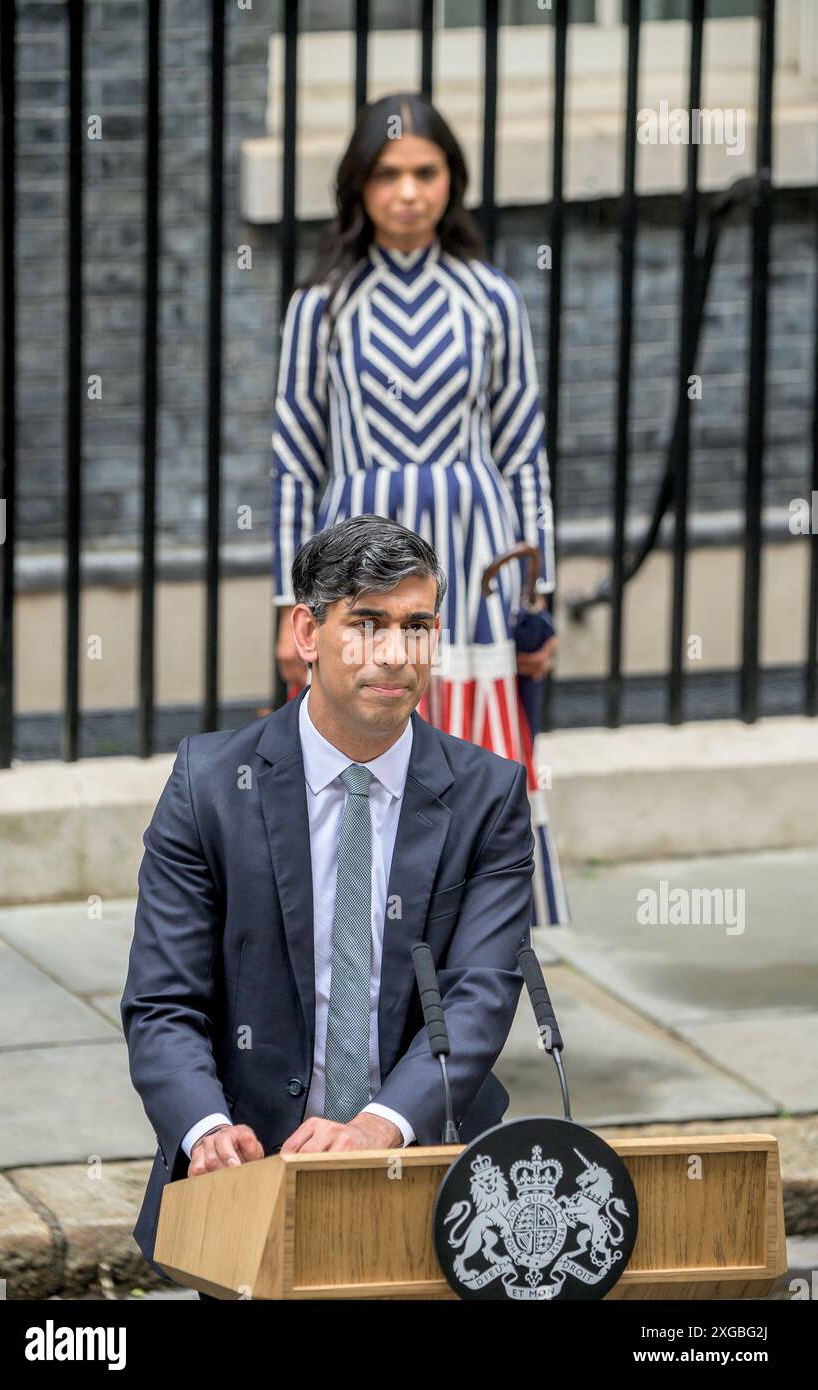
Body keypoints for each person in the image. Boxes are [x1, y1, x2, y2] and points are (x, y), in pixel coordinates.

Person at [121, 515, 537, 1296]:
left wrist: (380, 1124)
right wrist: (208, 1132)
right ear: (307, 632)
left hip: (431, 1177)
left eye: (416, 627)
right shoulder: (209, 785)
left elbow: (479, 997)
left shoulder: (488, 795)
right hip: (251, 1183)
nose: (393, 654)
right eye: (366, 624)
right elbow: (163, 1002)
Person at [271, 90, 570, 927]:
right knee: (362, 744)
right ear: (359, 187)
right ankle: (360, 953)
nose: (407, 191)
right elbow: (294, 462)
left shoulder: (491, 298)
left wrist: (535, 605)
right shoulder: (318, 308)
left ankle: (473, 959)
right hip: (352, 563)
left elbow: (522, 455)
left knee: (474, 764)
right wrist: (286, 610)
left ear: (452, 181)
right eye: (387, 173)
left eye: (425, 172)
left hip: (473, 573)